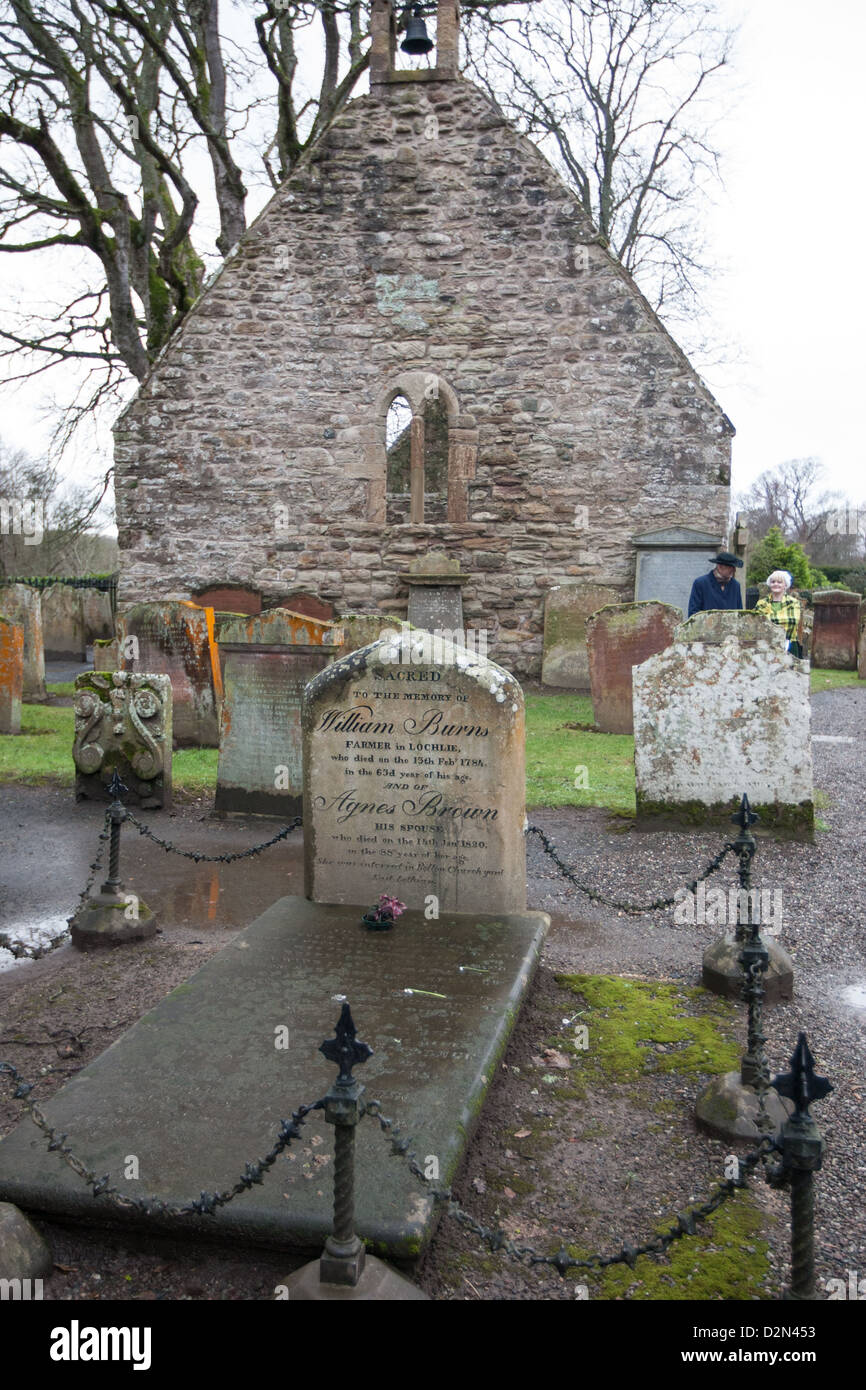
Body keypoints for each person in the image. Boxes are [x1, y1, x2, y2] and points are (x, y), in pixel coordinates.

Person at [755, 570, 802, 654]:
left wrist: (768, 619)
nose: (776, 584)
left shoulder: (793, 602)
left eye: (779, 582)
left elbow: (792, 621)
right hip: (766, 646)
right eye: (773, 582)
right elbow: (757, 623)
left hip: (789, 645)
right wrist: (780, 620)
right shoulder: (761, 603)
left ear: (785, 585)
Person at [687, 551, 744, 617]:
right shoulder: (700, 583)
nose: (734, 570)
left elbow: (740, 615)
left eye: (734, 567)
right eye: (730, 567)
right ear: (719, 566)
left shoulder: (736, 586)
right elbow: (693, 614)